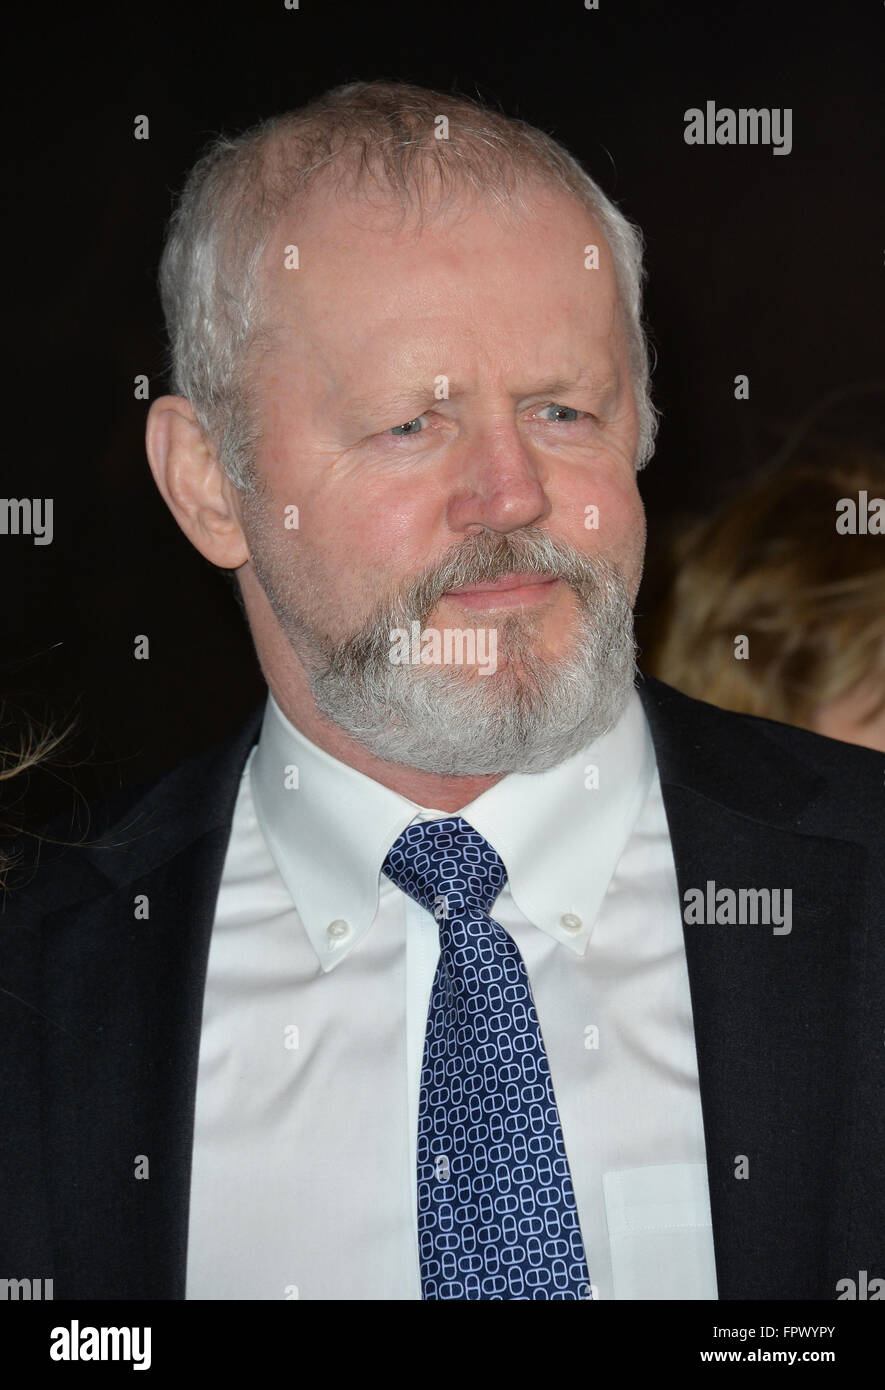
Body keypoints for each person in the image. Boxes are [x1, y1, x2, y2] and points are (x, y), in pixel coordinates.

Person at [1, 80, 882, 1302]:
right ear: (209, 482)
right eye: (414, 424)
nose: (510, 493)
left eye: (563, 408)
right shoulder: (39, 980)